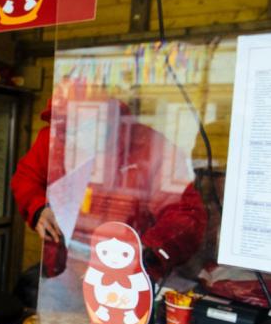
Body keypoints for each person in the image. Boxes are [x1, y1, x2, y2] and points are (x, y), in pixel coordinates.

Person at [11, 96, 207, 282]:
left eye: (88, 125)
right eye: (72, 128)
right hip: (65, 268)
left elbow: (186, 215)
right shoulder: (56, 137)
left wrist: (145, 252)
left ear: (110, 117)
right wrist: (38, 209)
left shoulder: (151, 146)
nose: (77, 137)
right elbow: (25, 178)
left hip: (126, 278)